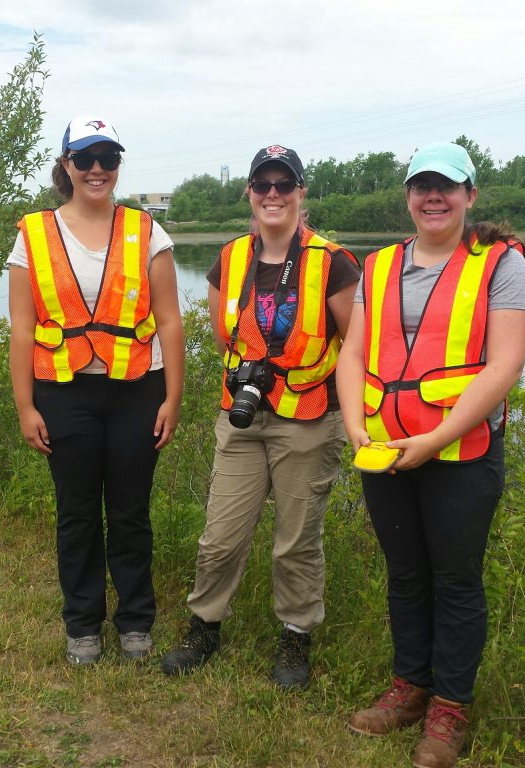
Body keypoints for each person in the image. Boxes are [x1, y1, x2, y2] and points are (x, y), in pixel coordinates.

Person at [336, 142, 525, 768]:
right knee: (406, 575)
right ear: (409, 198)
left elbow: (505, 364)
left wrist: (437, 440)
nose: (433, 197)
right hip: (387, 450)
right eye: (422, 186)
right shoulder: (380, 265)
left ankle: (450, 709)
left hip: (461, 453)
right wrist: (353, 427)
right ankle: (408, 688)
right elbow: (353, 353)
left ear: (470, 195)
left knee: (455, 580)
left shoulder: (500, 264)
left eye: (447, 186)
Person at [160, 145, 360, 689]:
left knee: (296, 540)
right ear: (249, 192)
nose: (273, 194)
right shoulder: (229, 259)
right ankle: (205, 625)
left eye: (284, 184)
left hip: (310, 417)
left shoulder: (333, 262)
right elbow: (223, 335)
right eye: (263, 185)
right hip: (243, 416)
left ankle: (296, 636)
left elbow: (357, 345)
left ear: (301, 192)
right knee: (220, 536)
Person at [7, 116, 184, 665]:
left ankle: (135, 620)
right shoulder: (32, 235)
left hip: (137, 389)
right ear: (66, 166)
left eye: (108, 159)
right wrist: (24, 406)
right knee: (77, 512)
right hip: (63, 392)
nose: (98, 170)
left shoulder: (146, 231)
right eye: (85, 159)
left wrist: (173, 400)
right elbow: (20, 327)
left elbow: (171, 321)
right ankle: (82, 624)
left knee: (130, 511)